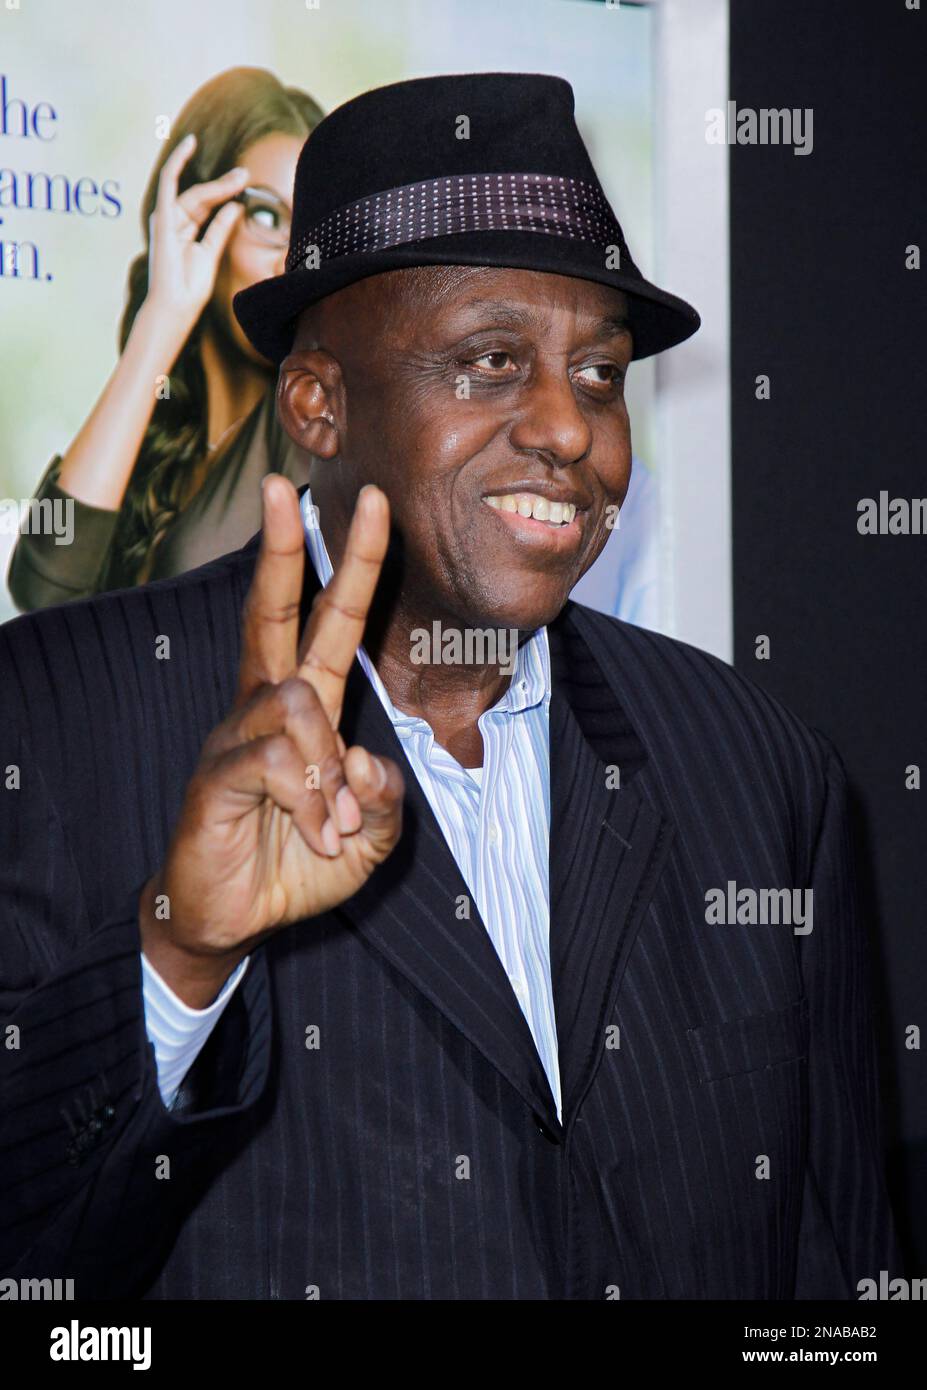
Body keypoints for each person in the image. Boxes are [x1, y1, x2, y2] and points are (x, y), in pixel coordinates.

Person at [0, 73, 901, 1299]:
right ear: (318, 403)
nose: (571, 430)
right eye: (490, 359)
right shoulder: (55, 718)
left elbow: (833, 1272)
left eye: (598, 374)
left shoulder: (762, 771)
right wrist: (181, 955)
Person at [6, 67, 323, 611]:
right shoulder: (155, 423)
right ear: (198, 222)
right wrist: (163, 316)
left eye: (310, 230)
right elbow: (42, 585)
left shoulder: (312, 425)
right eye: (267, 215)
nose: (290, 258)